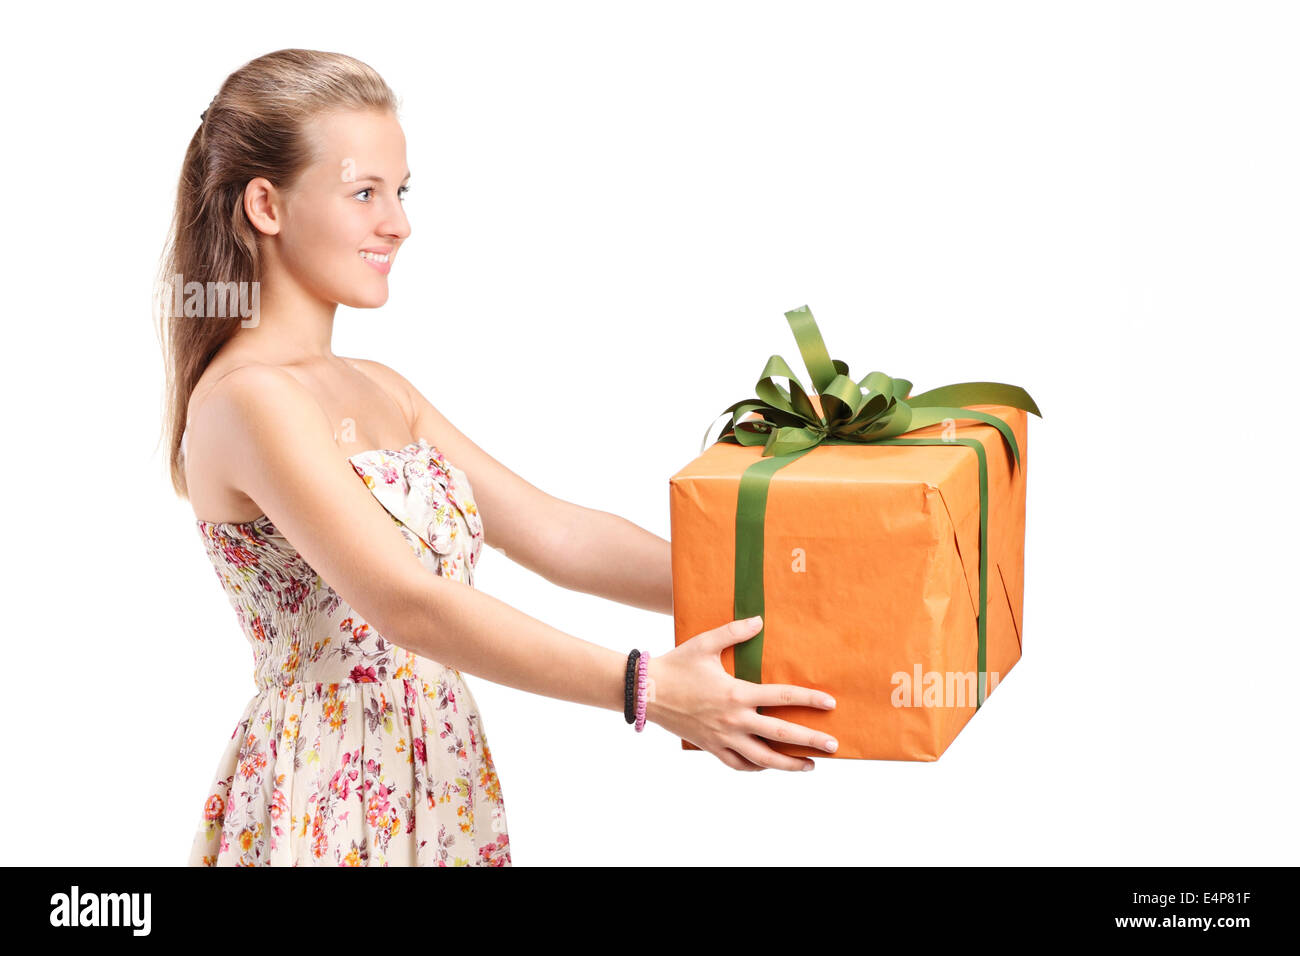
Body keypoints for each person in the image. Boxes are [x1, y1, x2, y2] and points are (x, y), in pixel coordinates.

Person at [159, 48, 838, 867]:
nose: (398, 223)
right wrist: (646, 688)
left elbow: (556, 534)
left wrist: (781, 587)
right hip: (328, 788)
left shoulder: (380, 388)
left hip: (437, 771)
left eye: (400, 192)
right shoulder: (246, 400)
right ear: (266, 205)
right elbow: (408, 604)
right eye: (364, 192)